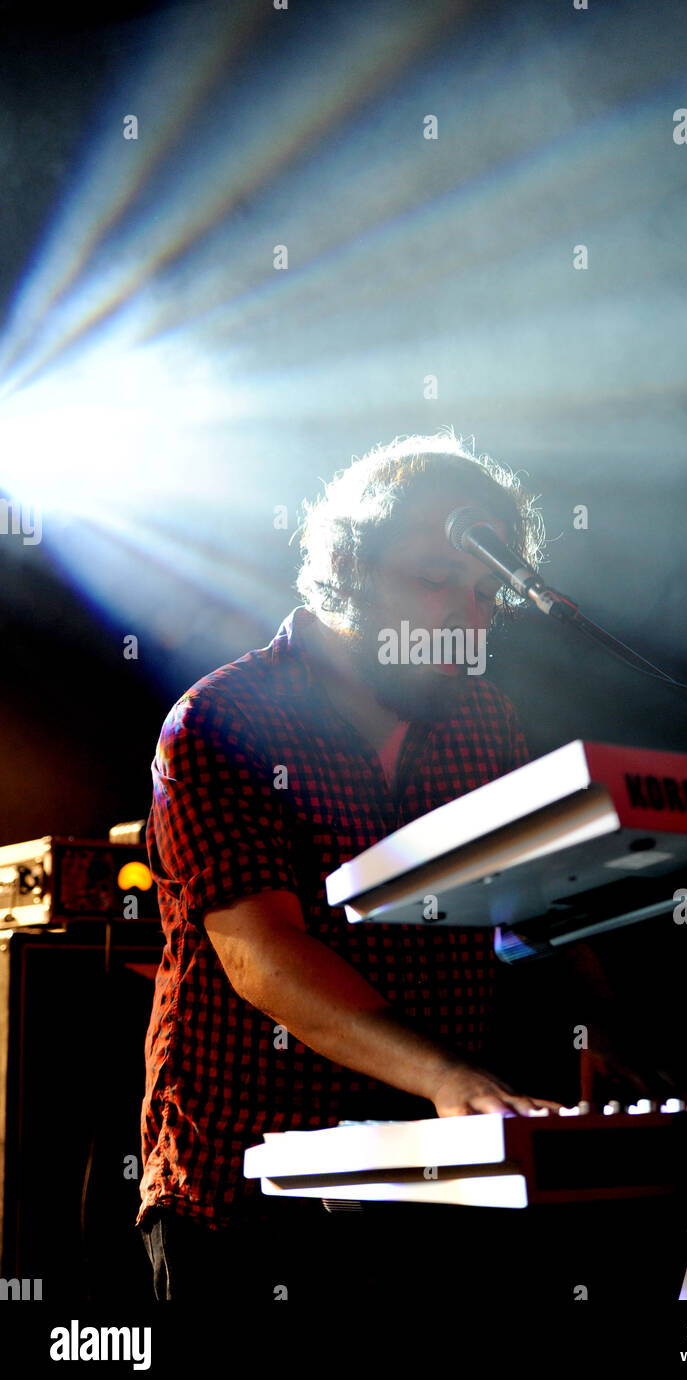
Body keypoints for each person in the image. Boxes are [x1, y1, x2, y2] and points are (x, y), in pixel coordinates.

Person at [136, 429, 571, 1307]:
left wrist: (608, 1033)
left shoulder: (484, 722)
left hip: (434, 1181)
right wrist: (447, 1077)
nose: (469, 619)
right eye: (436, 578)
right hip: (246, 1189)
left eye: (487, 592)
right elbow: (262, 957)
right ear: (345, 565)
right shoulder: (221, 720)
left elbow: (524, 909)